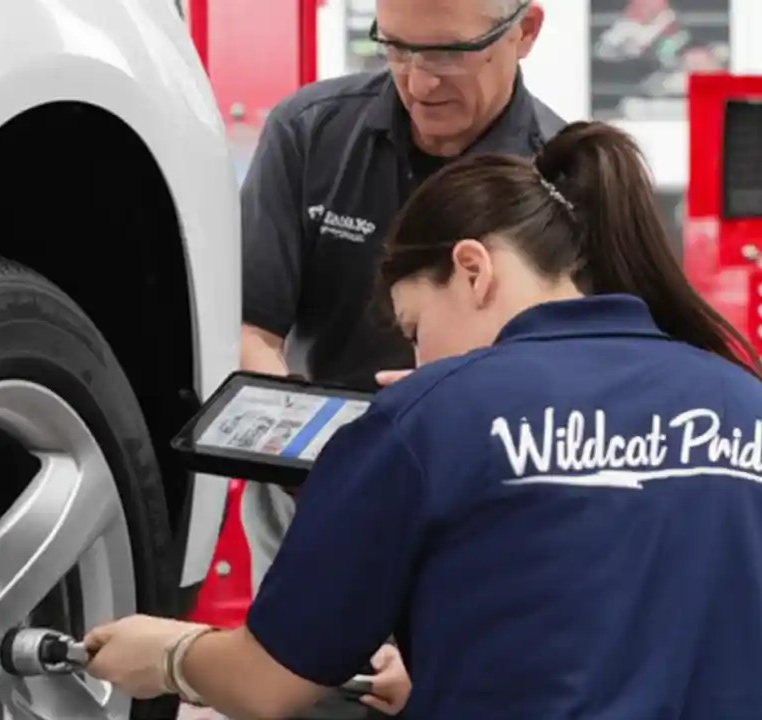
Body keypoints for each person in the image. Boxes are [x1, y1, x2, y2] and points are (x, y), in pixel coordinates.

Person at [82, 120, 762, 719]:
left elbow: (268, 682)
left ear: (473, 269)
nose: (416, 357)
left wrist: (170, 651)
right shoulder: (752, 409)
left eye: (414, 329)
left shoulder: (428, 416)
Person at [231, 0, 563, 712]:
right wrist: (316, 461)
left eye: (447, 53)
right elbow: (250, 327)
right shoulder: (311, 133)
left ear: (526, 32)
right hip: (314, 487)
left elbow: (587, 380)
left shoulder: (568, 175)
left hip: (492, 509)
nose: (418, 82)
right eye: (396, 47)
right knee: (308, 695)